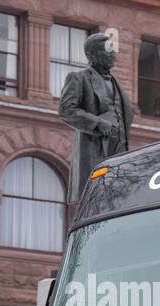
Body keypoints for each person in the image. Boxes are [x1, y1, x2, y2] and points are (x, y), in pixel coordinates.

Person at [57, 32, 135, 204]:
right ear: (93, 55)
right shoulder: (79, 78)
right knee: (95, 198)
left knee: (117, 198)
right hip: (95, 148)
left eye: (113, 49)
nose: (113, 53)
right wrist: (97, 122)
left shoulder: (116, 82)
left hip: (119, 148)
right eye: (108, 50)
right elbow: (66, 110)